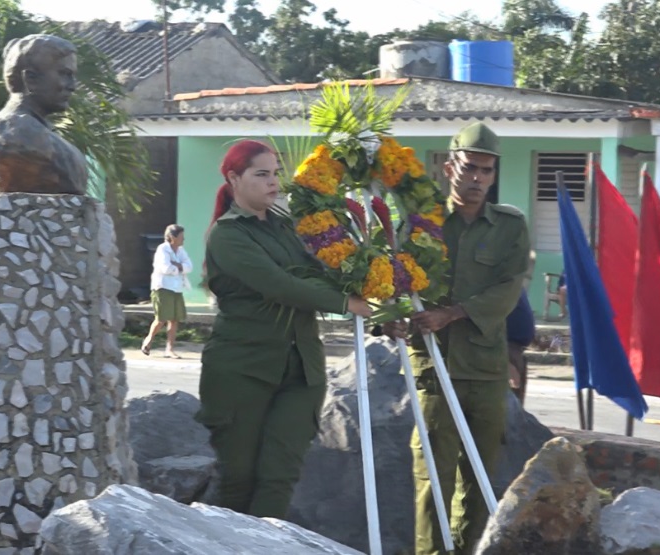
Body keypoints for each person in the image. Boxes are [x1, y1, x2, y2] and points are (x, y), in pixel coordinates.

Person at [196, 139, 373, 519]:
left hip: (301, 370)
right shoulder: (227, 234)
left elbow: (321, 275)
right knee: (238, 482)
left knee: (279, 476)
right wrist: (346, 305)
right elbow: (279, 285)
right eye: (261, 175)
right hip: (242, 372)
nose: (273, 182)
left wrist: (371, 292)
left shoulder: (287, 227)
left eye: (275, 173)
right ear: (234, 178)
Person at [384, 122, 530, 554]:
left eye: (487, 171)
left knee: (480, 475)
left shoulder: (509, 226)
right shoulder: (420, 222)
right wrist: (387, 318)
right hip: (434, 364)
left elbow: (508, 288)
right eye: (470, 168)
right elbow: (391, 278)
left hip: (485, 370)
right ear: (450, 167)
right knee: (432, 474)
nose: (478, 179)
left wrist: (454, 313)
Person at [0, 34, 88, 195]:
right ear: (30, 78)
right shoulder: (16, 134)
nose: (73, 86)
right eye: (64, 74)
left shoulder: (33, 130)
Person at [141, 224, 192, 358]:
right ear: (172, 237)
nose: (183, 239)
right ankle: (148, 340)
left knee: (174, 320)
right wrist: (179, 267)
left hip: (177, 288)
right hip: (163, 287)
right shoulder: (162, 249)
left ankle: (169, 349)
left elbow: (189, 266)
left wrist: (177, 266)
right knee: (161, 319)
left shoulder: (181, 251)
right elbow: (165, 268)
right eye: (181, 237)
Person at [506, 291, 536, 405]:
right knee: (509, 408)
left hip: (516, 350)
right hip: (506, 349)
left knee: (516, 407)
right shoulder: (499, 283)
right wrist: (505, 362)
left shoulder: (514, 281)